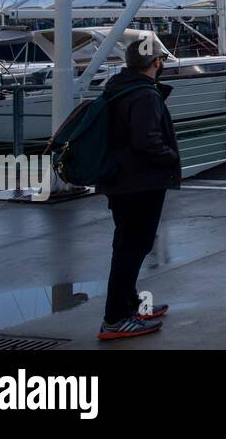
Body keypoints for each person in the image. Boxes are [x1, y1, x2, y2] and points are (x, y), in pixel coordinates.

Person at [94, 34, 181, 341]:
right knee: (132, 247)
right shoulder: (144, 95)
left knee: (129, 243)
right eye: (162, 60)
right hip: (139, 181)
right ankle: (115, 318)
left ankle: (129, 304)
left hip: (121, 180)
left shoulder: (118, 88)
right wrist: (169, 157)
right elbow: (146, 140)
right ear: (155, 62)